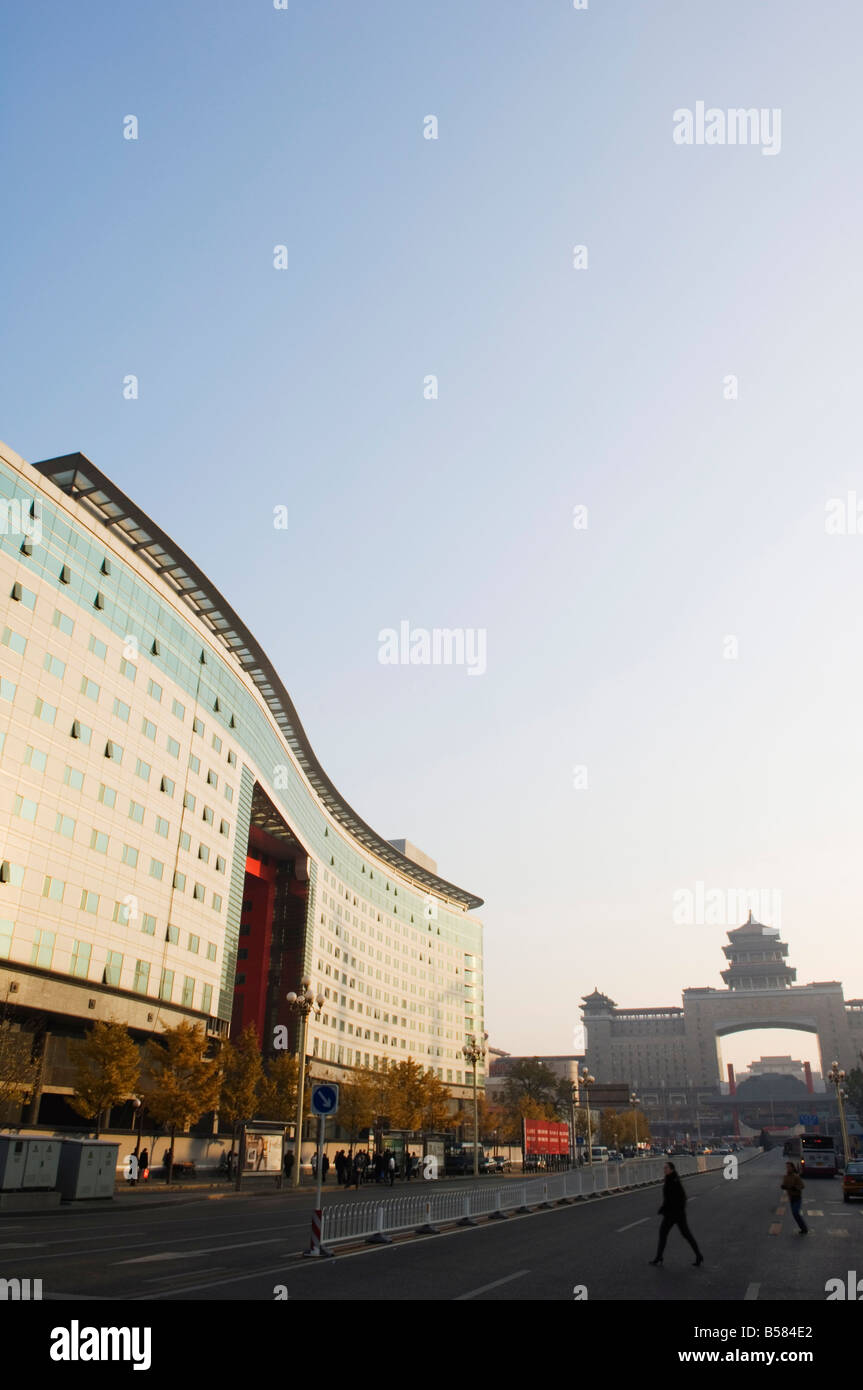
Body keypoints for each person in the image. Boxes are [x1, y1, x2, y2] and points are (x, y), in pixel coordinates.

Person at [649, 1162, 703, 1267]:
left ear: (671, 1169)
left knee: (683, 1235)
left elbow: (681, 1197)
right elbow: (669, 1198)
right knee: (668, 1234)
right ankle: (659, 1257)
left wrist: (670, 1209)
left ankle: (698, 1255)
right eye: (664, 1168)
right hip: (673, 1213)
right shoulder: (670, 1179)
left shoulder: (674, 1181)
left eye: (666, 1168)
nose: (664, 1170)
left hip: (674, 1214)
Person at [781, 1161, 808, 1234]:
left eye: (789, 1167)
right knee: (794, 1214)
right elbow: (784, 1184)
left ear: (793, 1168)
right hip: (791, 1198)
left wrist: (795, 1188)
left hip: (797, 1197)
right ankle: (803, 1228)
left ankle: (804, 1228)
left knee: (796, 1213)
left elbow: (802, 1186)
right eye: (787, 1167)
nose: (788, 1168)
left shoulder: (796, 1176)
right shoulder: (786, 1177)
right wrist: (783, 1186)